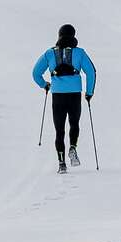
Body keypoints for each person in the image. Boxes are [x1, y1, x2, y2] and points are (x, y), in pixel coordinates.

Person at [33, 23, 96, 173]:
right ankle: (72, 147)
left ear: (59, 36)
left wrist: (45, 85)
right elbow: (91, 72)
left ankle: (61, 163)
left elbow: (35, 73)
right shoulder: (79, 53)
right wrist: (89, 93)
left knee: (59, 130)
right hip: (74, 94)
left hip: (58, 95)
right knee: (74, 124)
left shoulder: (50, 53)